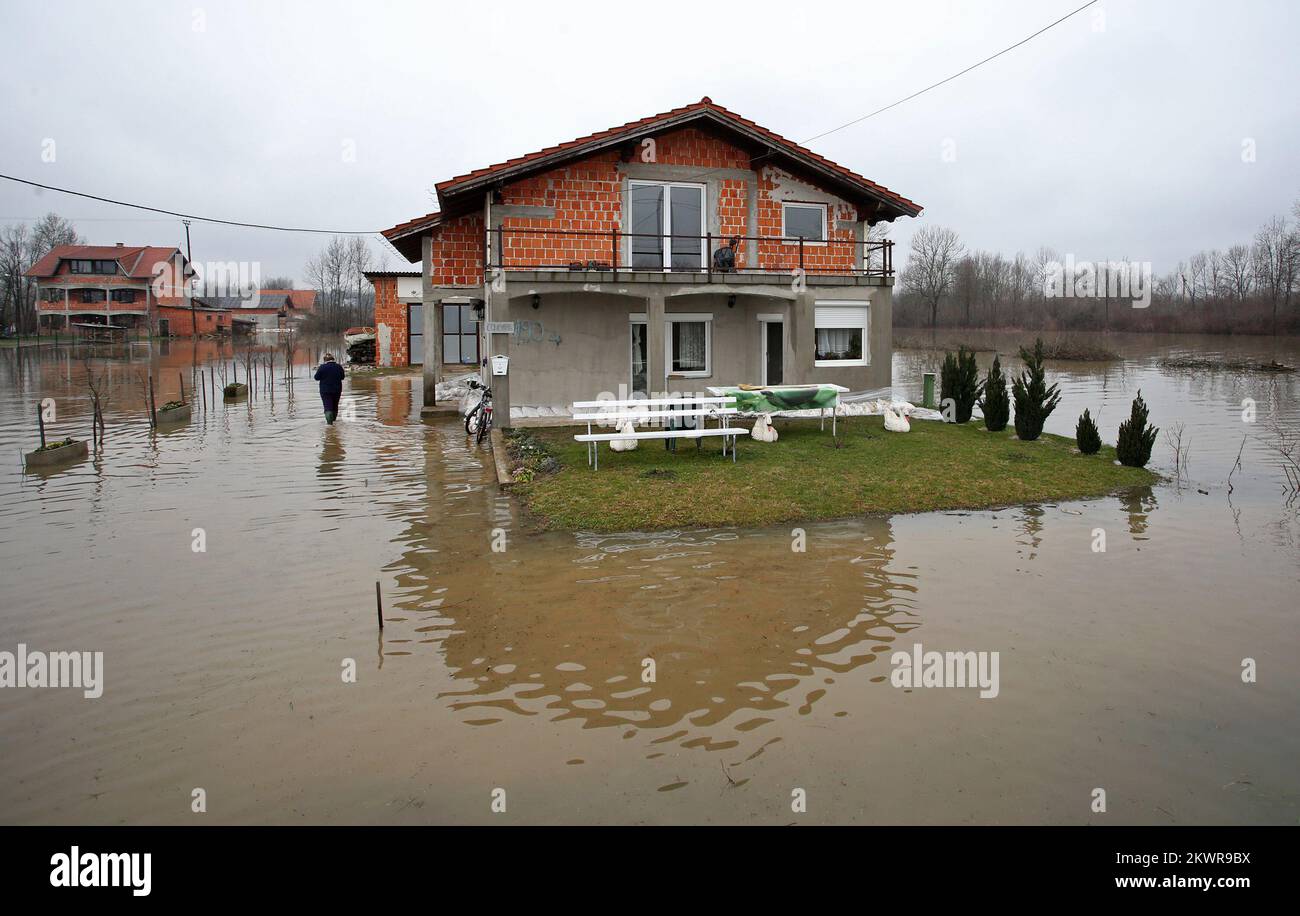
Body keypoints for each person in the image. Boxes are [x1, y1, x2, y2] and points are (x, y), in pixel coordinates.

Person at [314, 353, 345, 424]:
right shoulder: (339, 367)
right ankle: (334, 422)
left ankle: (329, 425)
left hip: (325, 391)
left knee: (328, 406)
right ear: (333, 359)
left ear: (325, 360)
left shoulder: (322, 367)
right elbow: (342, 377)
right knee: (335, 405)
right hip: (337, 390)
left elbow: (316, 378)